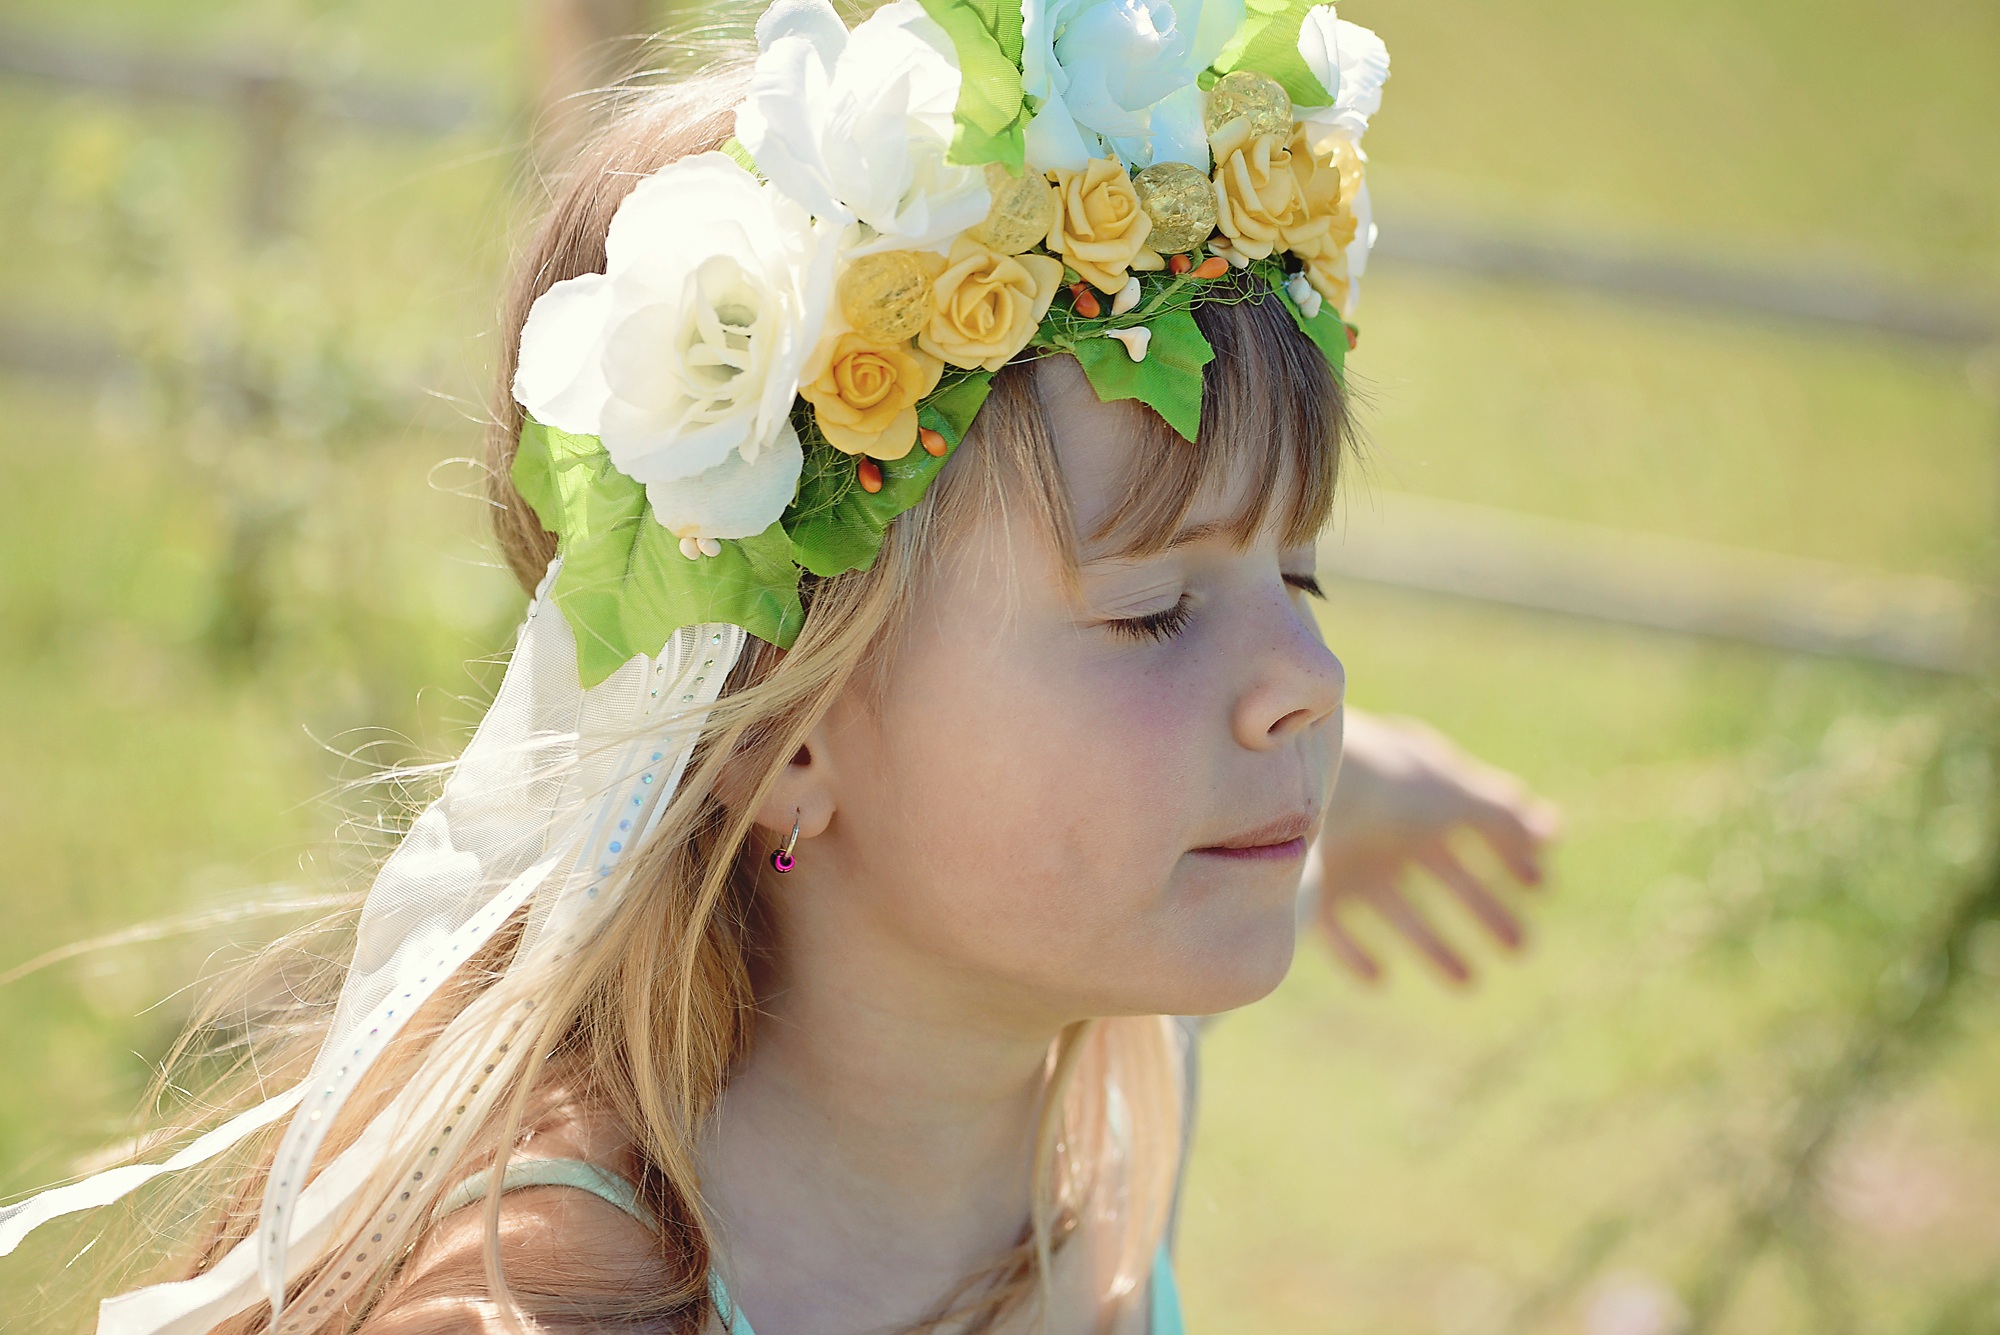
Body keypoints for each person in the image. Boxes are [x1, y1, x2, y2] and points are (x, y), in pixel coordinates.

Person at [0, 2, 1553, 1330]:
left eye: (1299, 574)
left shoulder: (1059, 1057)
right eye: (1154, 611)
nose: (1306, 681)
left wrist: (1339, 804)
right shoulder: (538, 1304)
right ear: (780, 733)